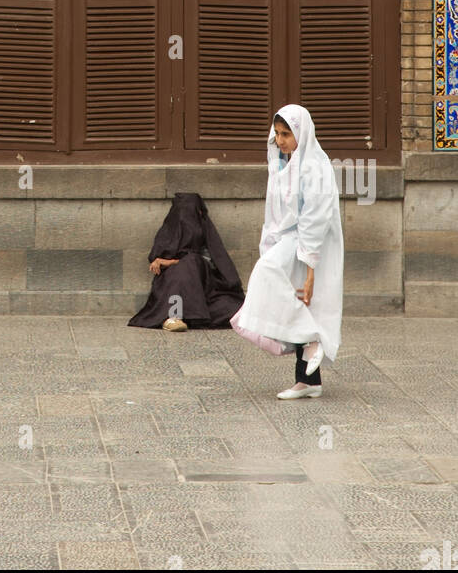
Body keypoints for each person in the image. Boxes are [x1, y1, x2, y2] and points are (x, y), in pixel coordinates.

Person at [230, 105, 344, 399]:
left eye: (286, 134)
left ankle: (310, 341)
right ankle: (308, 381)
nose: (280, 140)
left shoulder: (315, 167)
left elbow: (315, 219)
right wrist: (269, 244)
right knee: (296, 300)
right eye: (277, 133)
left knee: (271, 275)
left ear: (301, 133)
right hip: (291, 241)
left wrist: (310, 270)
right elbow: (274, 213)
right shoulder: (282, 165)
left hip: (312, 244)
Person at [128, 191, 244, 331]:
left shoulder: (204, 233)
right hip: (172, 288)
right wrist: (165, 263)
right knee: (180, 271)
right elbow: (157, 258)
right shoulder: (168, 232)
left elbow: (211, 261)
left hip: (204, 290)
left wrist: (172, 262)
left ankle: (188, 316)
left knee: (191, 262)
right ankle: (174, 316)